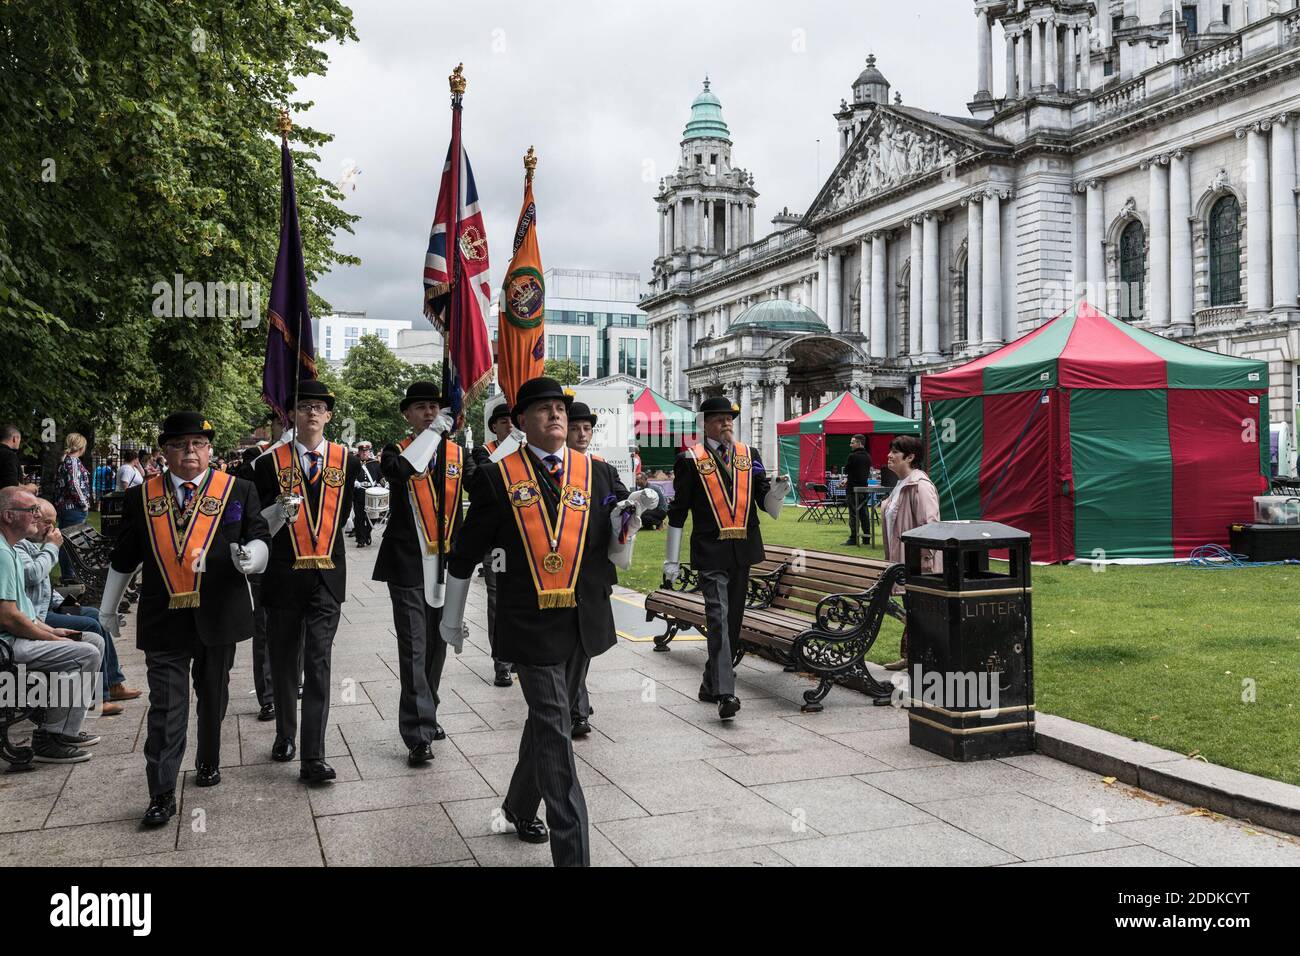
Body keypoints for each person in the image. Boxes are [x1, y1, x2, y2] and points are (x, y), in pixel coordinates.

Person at [439, 377, 648, 866]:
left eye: (561, 407)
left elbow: (614, 552)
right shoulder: (495, 477)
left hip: (582, 621)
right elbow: (464, 553)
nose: (556, 416)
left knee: (544, 724)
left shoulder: (595, 472)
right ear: (521, 422)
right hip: (529, 625)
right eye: (543, 409)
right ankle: (572, 855)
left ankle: (515, 805)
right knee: (555, 728)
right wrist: (452, 619)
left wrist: (630, 523)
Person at [97, 412, 270, 824]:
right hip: (164, 618)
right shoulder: (143, 496)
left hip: (219, 616)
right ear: (165, 452)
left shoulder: (238, 489)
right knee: (166, 708)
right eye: (178, 444)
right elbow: (124, 557)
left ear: (209, 449)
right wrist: (107, 609)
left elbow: (259, 537)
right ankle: (160, 792)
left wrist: (254, 558)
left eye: (197, 444)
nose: (189, 451)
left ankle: (208, 760)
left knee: (213, 698)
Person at [253, 380, 361, 783]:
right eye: (303, 407)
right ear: (291, 415)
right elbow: (258, 526)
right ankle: (285, 732)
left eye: (319, 407)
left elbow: (344, 516)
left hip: (326, 578)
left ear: (329, 416)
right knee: (283, 662)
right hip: (282, 577)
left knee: (318, 663)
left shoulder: (345, 461)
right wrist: (279, 513)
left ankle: (313, 755)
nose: (312, 413)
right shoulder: (268, 464)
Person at [663, 396, 789, 720]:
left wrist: (777, 492)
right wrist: (671, 560)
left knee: (732, 623)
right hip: (710, 552)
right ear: (704, 423)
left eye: (730, 419)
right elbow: (678, 513)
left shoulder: (750, 455)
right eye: (719, 419)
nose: (726, 424)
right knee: (718, 617)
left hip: (743, 551)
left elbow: (767, 507)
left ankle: (710, 683)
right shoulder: (690, 459)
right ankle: (726, 694)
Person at [372, 383, 458, 765]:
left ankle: (429, 708)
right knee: (413, 647)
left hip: (446, 563)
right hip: (408, 562)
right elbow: (401, 472)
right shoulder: (396, 450)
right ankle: (418, 732)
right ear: (407, 414)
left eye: (434, 407)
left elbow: (488, 480)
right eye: (421, 407)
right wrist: (433, 434)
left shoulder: (456, 454)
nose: (428, 412)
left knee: (439, 643)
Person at [0, 486, 104, 764]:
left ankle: (66, 732)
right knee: (86, 653)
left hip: (16, 636)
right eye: (31, 511)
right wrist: (54, 640)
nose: (37, 516)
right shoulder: (2, 553)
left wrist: (51, 631)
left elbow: (24, 610)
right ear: (9, 516)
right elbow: (8, 617)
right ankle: (50, 737)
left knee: (92, 640)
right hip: (7, 645)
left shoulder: (8, 549)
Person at [19, 499, 137, 717]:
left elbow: (44, 587)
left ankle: (114, 682)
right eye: (45, 521)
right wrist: (52, 548)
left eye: (52, 523)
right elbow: (33, 574)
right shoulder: (20, 546)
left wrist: (69, 604)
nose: (50, 528)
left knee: (94, 615)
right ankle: (98, 697)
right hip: (37, 617)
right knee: (90, 625)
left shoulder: (34, 545)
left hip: (47, 609)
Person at [563, 401, 628, 737]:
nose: (582, 434)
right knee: (566, 640)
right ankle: (575, 707)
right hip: (558, 570)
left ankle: (575, 704)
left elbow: (622, 503)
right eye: (576, 428)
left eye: (587, 428)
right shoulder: (552, 469)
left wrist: (640, 506)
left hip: (591, 570)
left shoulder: (601, 470)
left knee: (584, 639)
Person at [880, 434, 942, 671]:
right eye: (890, 451)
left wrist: (925, 563)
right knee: (911, 610)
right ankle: (911, 656)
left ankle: (920, 659)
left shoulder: (920, 486)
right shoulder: (901, 485)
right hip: (901, 562)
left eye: (895, 452)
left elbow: (931, 526)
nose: (889, 456)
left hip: (918, 564)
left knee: (918, 611)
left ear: (910, 457)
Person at [470, 401, 517, 687]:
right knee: (497, 600)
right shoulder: (482, 452)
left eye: (513, 421)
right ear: (494, 427)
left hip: (523, 539)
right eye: (503, 422)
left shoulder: (524, 451)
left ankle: (519, 655)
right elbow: (477, 482)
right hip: (496, 544)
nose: (510, 425)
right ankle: (501, 661)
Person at [236, 446, 275, 721]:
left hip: (305, 561)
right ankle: (269, 695)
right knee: (264, 628)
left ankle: (292, 680)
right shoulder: (259, 464)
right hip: (265, 559)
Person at [53, 432, 91, 582]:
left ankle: (69, 575)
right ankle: (70, 575)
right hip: (73, 508)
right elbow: (74, 484)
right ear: (81, 447)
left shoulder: (65, 461)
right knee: (73, 543)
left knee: (66, 543)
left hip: (65, 508)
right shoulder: (73, 462)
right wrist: (84, 504)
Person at [843, 433, 874, 546]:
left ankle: (853, 538)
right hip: (864, 489)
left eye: (852, 442)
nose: (850, 445)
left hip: (853, 489)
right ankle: (867, 538)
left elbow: (846, 470)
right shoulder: (868, 456)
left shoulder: (853, 456)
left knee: (853, 514)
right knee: (864, 513)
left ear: (859, 443)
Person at [351, 441, 381, 548]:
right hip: (358, 494)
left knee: (373, 517)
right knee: (359, 517)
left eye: (367, 451)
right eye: (362, 451)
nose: (365, 453)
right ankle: (361, 540)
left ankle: (367, 533)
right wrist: (353, 481)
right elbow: (348, 476)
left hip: (372, 495)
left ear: (369, 451)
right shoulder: (354, 462)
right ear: (359, 452)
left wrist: (383, 483)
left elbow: (380, 476)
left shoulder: (375, 463)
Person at [0, 425, 34, 492]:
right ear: (14, 438)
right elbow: (10, 483)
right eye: (19, 439)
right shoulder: (9, 455)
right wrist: (28, 488)